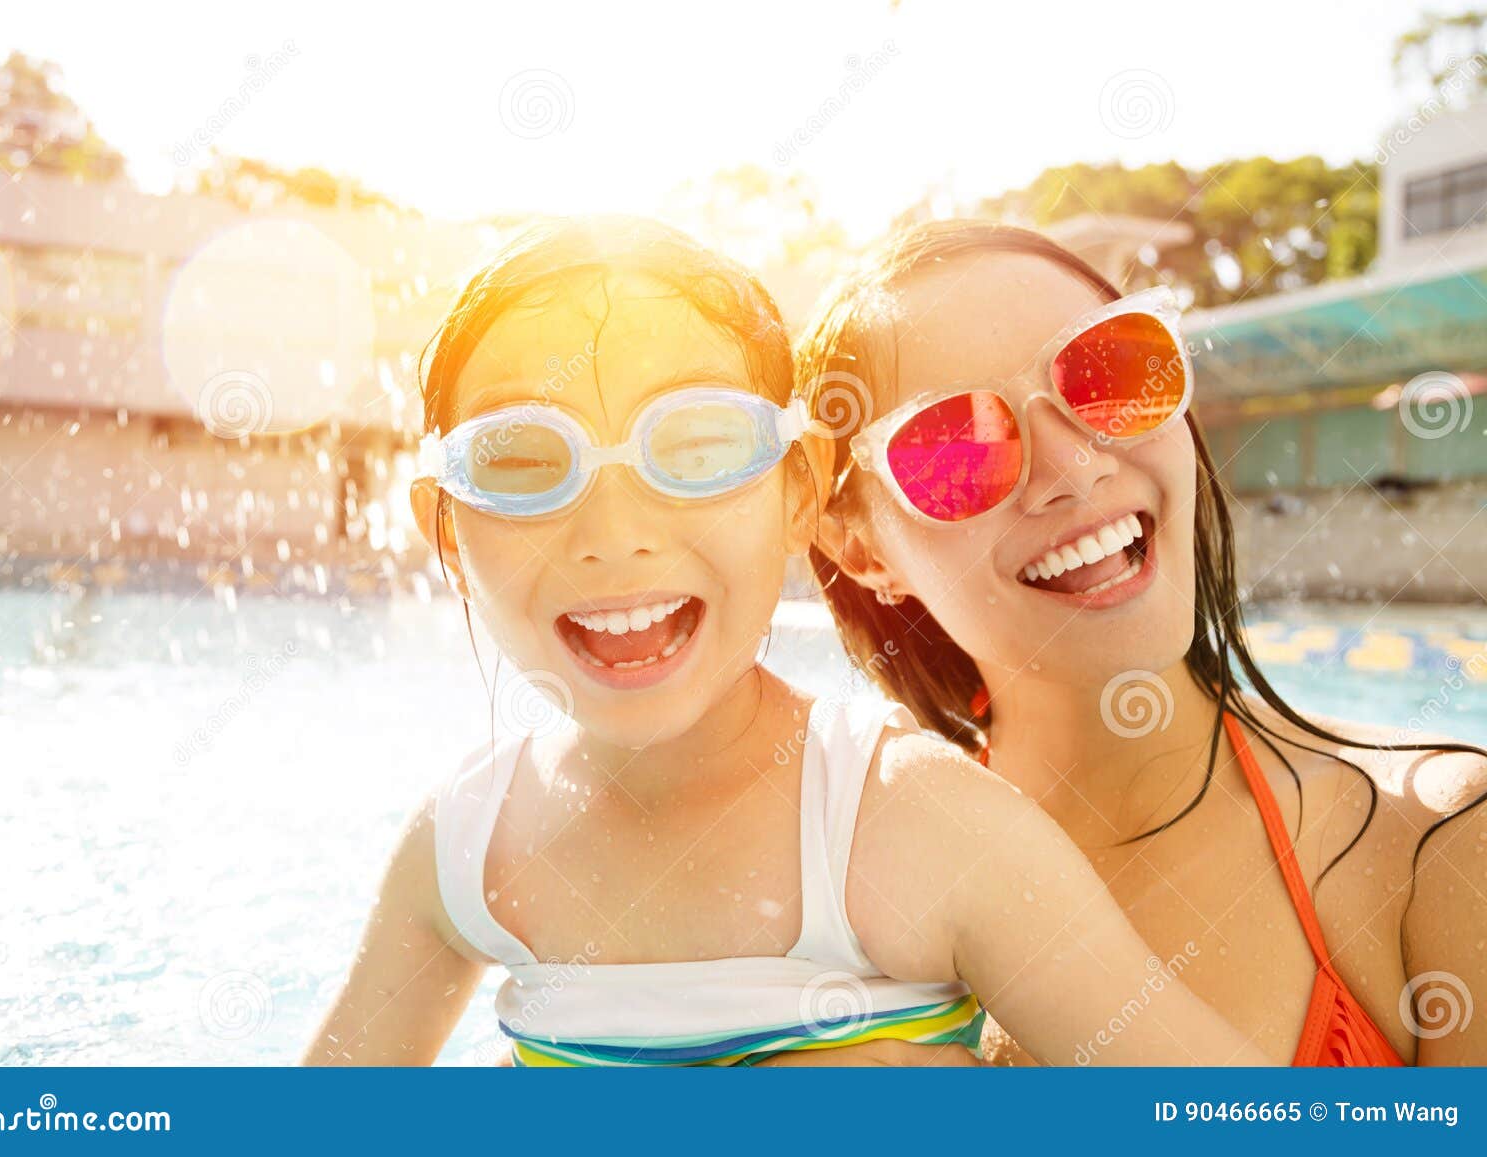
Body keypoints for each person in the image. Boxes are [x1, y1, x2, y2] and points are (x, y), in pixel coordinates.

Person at [304, 216, 1269, 1067]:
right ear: (446, 529)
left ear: (798, 490)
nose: (613, 531)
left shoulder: (918, 822)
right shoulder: (465, 847)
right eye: (521, 461)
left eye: (696, 444)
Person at [798, 219, 1487, 1066]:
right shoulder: (839, 904)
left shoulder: (1436, 835)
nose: (1077, 466)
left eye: (1109, 373)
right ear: (862, 551)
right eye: (955, 444)